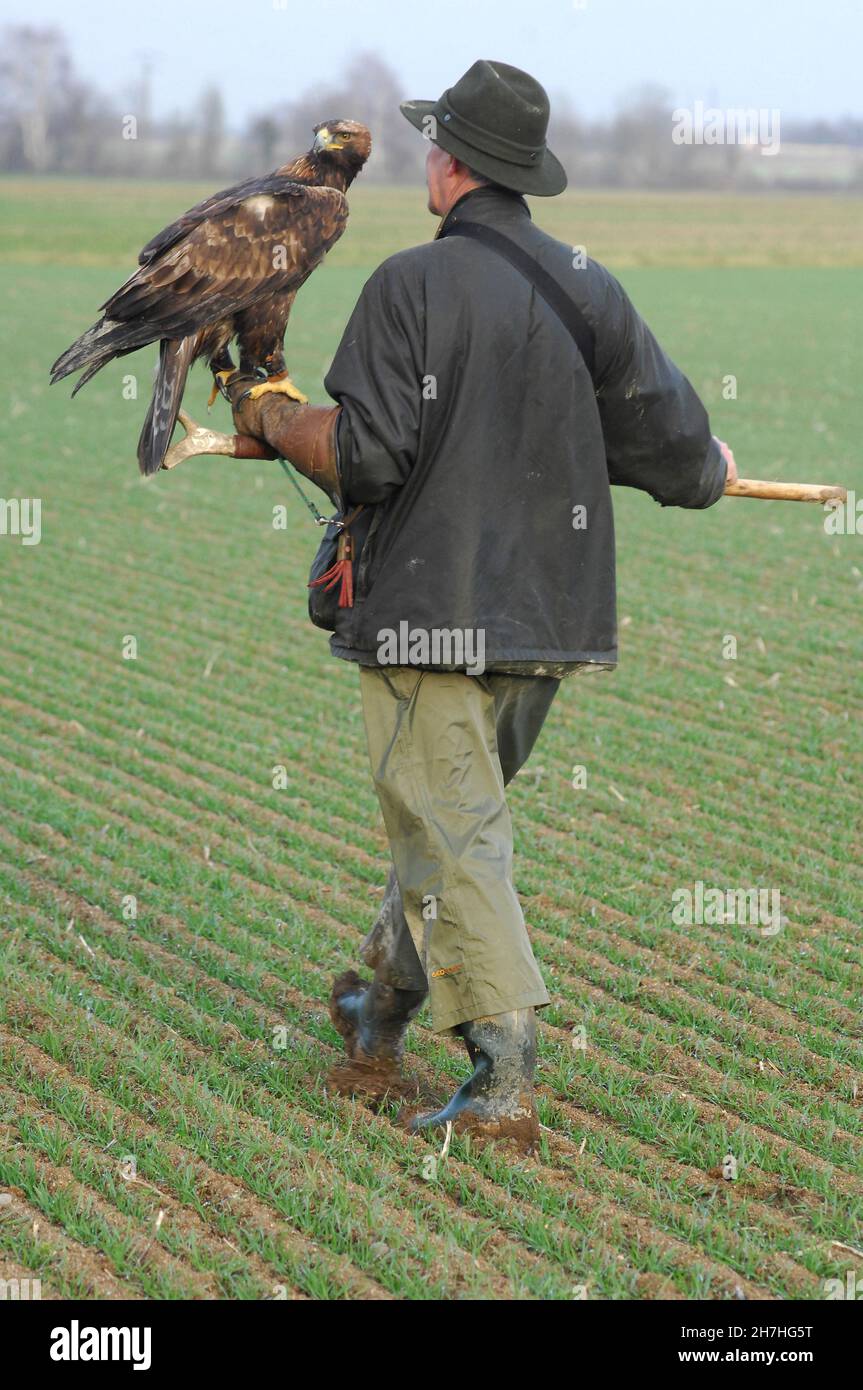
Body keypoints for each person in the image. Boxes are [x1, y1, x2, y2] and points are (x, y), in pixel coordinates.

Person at [216, 60, 737, 1149]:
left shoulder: (410, 283)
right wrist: (714, 458)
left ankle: (502, 1078)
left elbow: (364, 454)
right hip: (547, 624)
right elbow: (679, 455)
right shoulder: (587, 284)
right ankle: (379, 1009)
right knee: (447, 827)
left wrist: (268, 414)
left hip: (425, 617)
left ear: (446, 161)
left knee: (452, 839)